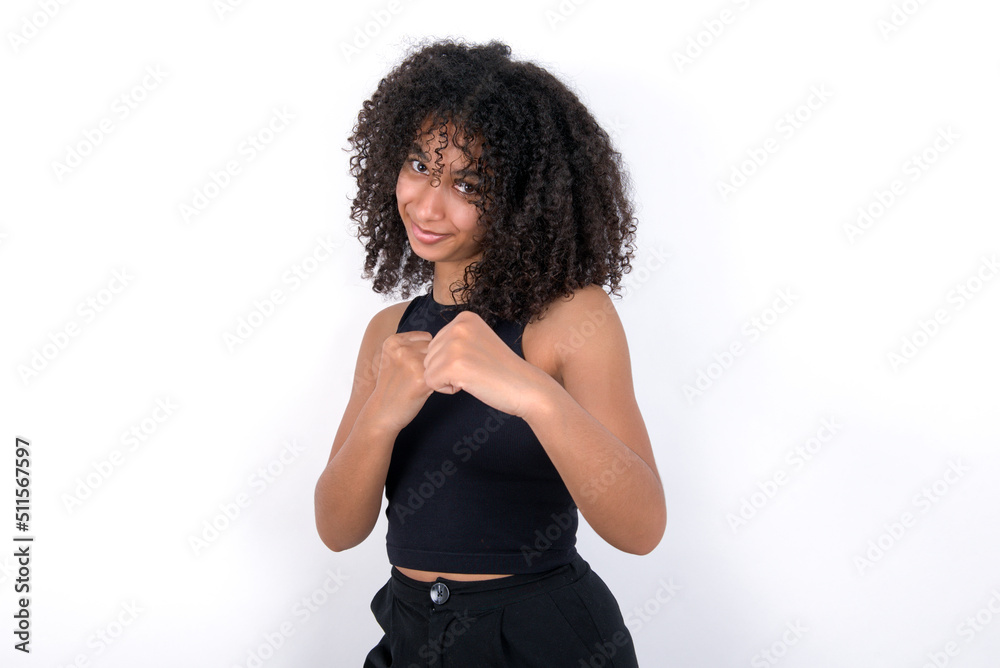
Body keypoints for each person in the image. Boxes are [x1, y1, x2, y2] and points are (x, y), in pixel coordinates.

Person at [314, 38, 666, 667]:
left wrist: (532, 393)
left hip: (541, 636)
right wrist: (381, 416)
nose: (427, 203)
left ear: (523, 198)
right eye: (419, 165)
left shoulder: (570, 318)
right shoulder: (388, 333)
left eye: (467, 183)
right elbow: (337, 531)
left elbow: (642, 529)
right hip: (411, 633)